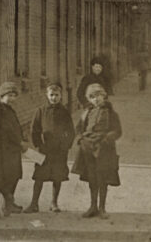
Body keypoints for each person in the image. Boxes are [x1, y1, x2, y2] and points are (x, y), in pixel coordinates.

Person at [73, 83, 122, 218]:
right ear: (89, 99)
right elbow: (78, 129)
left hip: (104, 148)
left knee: (103, 177)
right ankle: (92, 206)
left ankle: (102, 208)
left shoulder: (111, 113)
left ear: (104, 97)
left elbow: (118, 131)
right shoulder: (86, 113)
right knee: (92, 177)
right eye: (92, 97)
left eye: (99, 96)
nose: (96, 99)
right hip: (87, 148)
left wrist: (107, 138)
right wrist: (80, 139)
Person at [25, 83, 75, 213]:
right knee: (39, 176)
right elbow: (34, 130)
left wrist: (65, 145)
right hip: (44, 150)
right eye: (51, 95)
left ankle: (54, 203)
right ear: (47, 95)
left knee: (57, 176)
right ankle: (34, 203)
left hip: (59, 150)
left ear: (61, 96)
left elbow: (70, 131)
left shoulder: (64, 112)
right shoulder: (41, 111)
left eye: (56, 95)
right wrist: (38, 145)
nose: (54, 98)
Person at [0, 82, 24, 217]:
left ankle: (8, 204)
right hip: (1, 149)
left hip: (13, 149)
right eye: (9, 95)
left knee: (14, 175)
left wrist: (22, 138)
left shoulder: (10, 110)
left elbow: (15, 127)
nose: (12, 98)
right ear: (2, 95)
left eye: (14, 95)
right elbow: (5, 129)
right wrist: (18, 140)